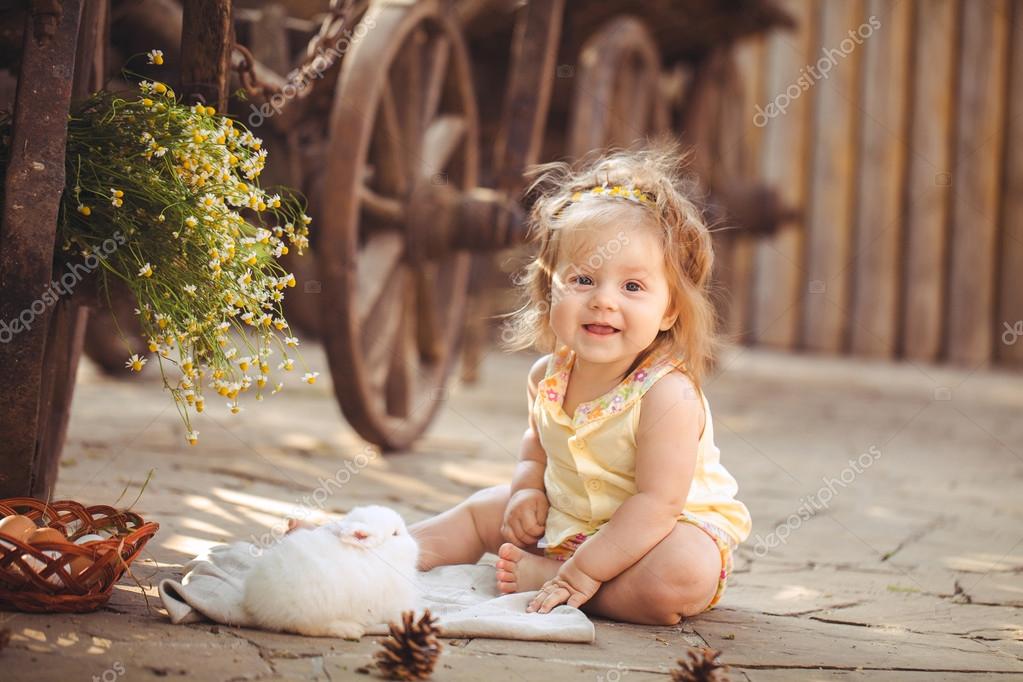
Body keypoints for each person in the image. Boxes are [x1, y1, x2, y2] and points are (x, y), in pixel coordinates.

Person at [409, 142, 752, 625]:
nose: (603, 302)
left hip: (658, 534)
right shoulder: (547, 377)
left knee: (682, 574)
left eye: (632, 287)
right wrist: (528, 491)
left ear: (669, 309)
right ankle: (381, 552)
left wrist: (579, 573)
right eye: (584, 280)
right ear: (549, 288)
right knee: (483, 510)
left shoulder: (666, 396)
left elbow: (657, 504)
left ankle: (569, 586)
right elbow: (537, 449)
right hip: (571, 523)